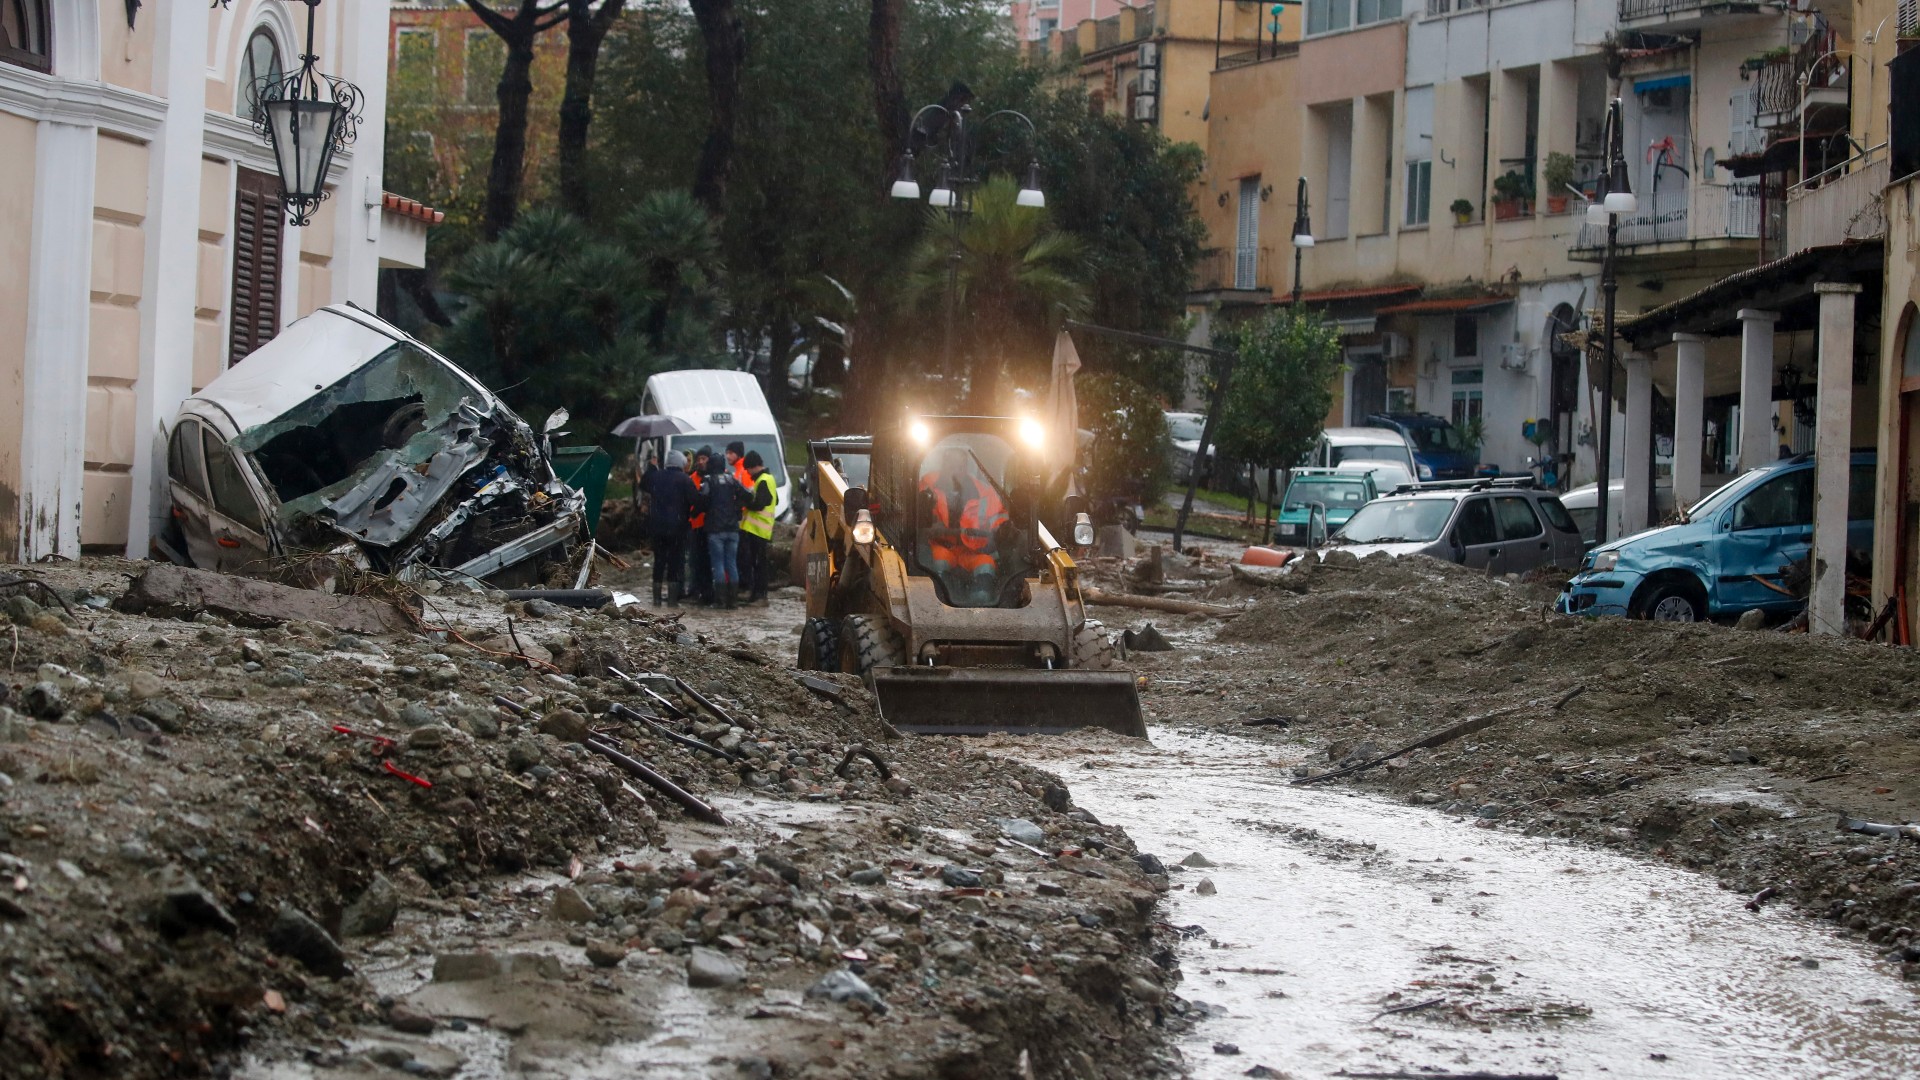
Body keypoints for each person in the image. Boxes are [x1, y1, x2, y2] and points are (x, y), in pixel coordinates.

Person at [919, 445, 1008, 585]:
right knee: (938, 563)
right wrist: (933, 529)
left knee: (986, 564)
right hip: (941, 546)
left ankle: (981, 600)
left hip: (972, 549)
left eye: (960, 467)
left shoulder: (984, 492)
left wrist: (1001, 529)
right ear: (944, 466)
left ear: (966, 468)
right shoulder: (927, 488)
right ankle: (938, 601)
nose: (956, 471)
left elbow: (999, 517)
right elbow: (918, 518)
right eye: (952, 466)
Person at [641, 450, 696, 607]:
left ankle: (656, 600)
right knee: (675, 562)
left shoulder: (656, 477)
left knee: (659, 561)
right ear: (680, 463)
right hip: (678, 528)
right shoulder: (685, 480)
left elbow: (642, 484)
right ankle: (672, 601)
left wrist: (651, 468)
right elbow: (696, 500)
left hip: (657, 527)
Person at [695, 453, 745, 609]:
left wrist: (705, 508)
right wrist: (736, 509)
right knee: (731, 563)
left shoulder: (708, 480)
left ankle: (720, 601)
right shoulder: (731, 479)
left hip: (716, 528)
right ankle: (733, 601)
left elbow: (701, 500)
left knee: (718, 565)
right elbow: (748, 495)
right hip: (732, 529)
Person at [738, 450, 777, 605]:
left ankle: (760, 596)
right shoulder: (769, 479)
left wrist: (745, 502)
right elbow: (775, 500)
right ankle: (757, 595)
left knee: (758, 565)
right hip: (762, 530)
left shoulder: (763, 480)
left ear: (754, 466)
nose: (747, 472)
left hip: (758, 530)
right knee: (758, 563)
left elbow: (760, 503)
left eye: (748, 469)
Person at [686, 445, 714, 605]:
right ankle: (696, 590)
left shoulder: (717, 476)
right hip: (695, 525)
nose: (701, 462)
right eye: (699, 459)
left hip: (711, 526)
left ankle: (709, 592)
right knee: (696, 560)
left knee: (710, 561)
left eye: (704, 459)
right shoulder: (692, 478)